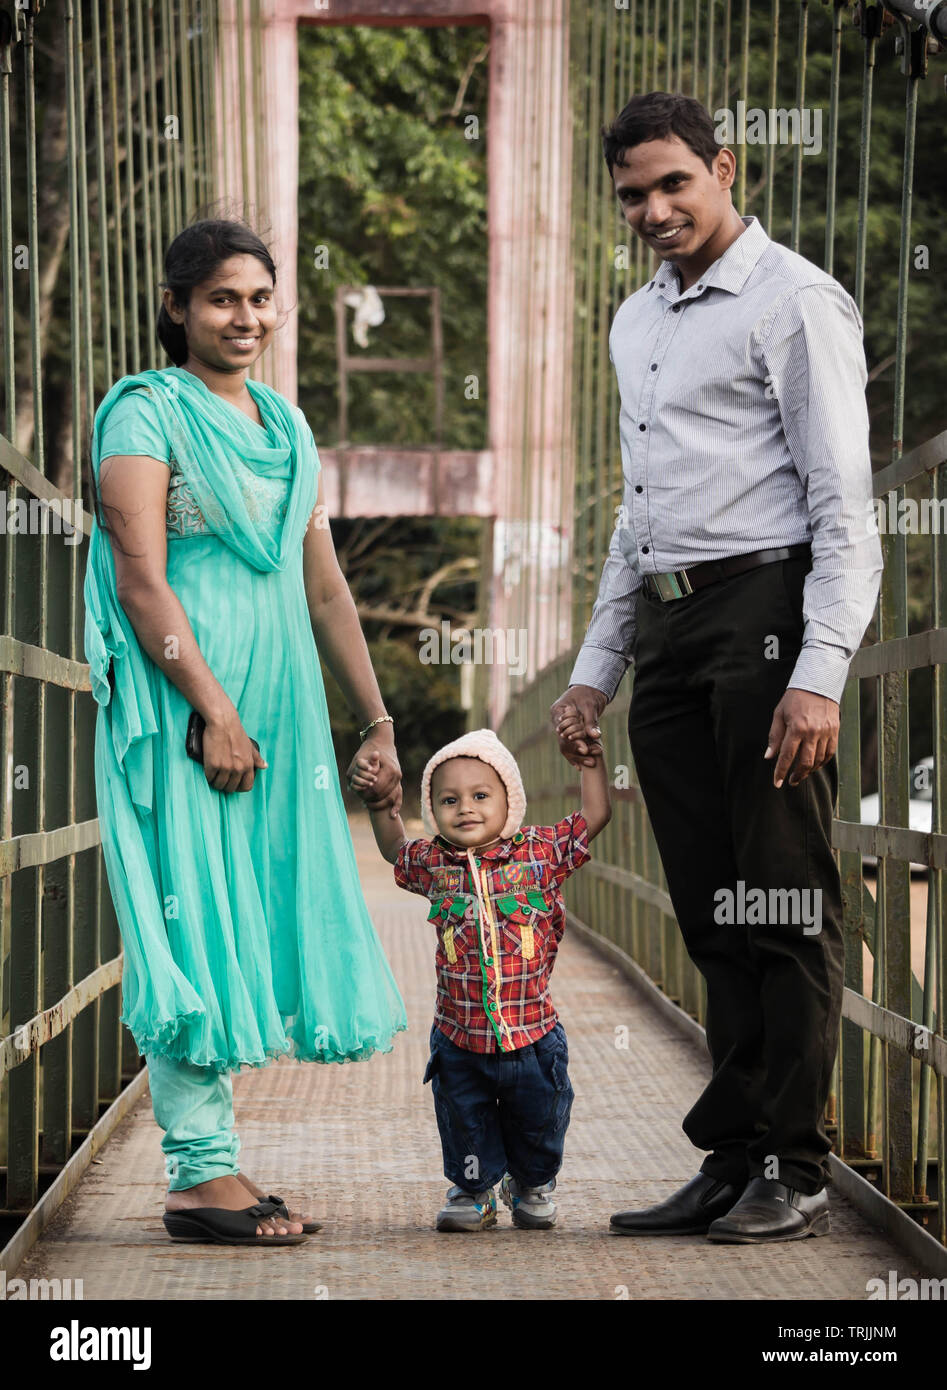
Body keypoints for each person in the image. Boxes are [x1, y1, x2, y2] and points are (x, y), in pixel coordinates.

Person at [550, 92, 883, 1244]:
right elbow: (633, 515)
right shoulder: (633, 322)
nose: (652, 209)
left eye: (671, 183)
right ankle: (734, 1155)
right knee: (710, 907)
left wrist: (818, 670)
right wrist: (595, 668)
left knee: (781, 897)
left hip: (765, 615)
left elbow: (842, 501)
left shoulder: (793, 301)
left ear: (723, 167)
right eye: (631, 194)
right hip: (668, 628)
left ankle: (793, 1163)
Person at [84, 218, 408, 1246]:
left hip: (283, 711)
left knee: (247, 912)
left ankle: (215, 1165)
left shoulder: (285, 426)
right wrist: (212, 710)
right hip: (188, 706)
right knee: (190, 913)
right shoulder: (144, 411)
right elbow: (140, 578)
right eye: (222, 298)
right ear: (177, 306)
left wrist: (376, 720)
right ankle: (197, 1175)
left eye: (260, 298)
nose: (245, 317)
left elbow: (324, 588)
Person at [351, 726, 610, 1231]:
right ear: (433, 809)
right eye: (449, 800)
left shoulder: (540, 853)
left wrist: (591, 761)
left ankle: (531, 1183)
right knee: (463, 1120)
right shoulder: (434, 864)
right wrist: (381, 803)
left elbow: (594, 815)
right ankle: (474, 1191)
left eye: (480, 796)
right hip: (459, 1038)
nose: (465, 808)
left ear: (510, 800)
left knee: (540, 1120)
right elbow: (395, 850)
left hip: (532, 1035)